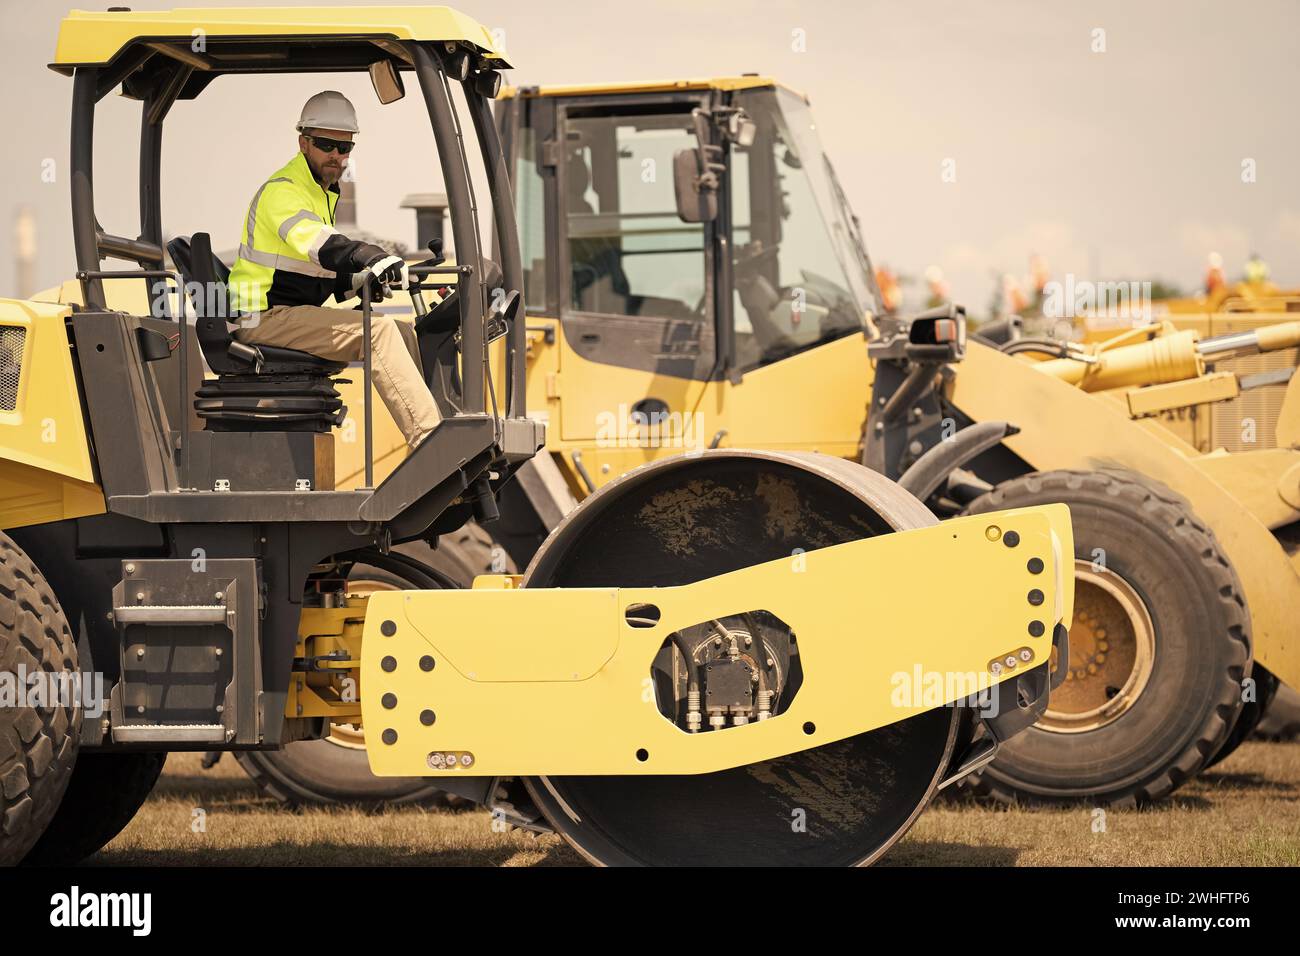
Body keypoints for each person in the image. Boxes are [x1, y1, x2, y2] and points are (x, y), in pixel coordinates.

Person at [227, 91, 440, 448]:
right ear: (304, 142)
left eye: (345, 148)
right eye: (327, 144)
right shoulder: (283, 192)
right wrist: (371, 257)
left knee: (402, 331)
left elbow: (311, 271)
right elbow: (319, 244)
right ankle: (431, 442)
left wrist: (360, 282)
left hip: (286, 312)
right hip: (260, 318)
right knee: (378, 332)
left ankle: (445, 425)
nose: (337, 156)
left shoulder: (320, 192)